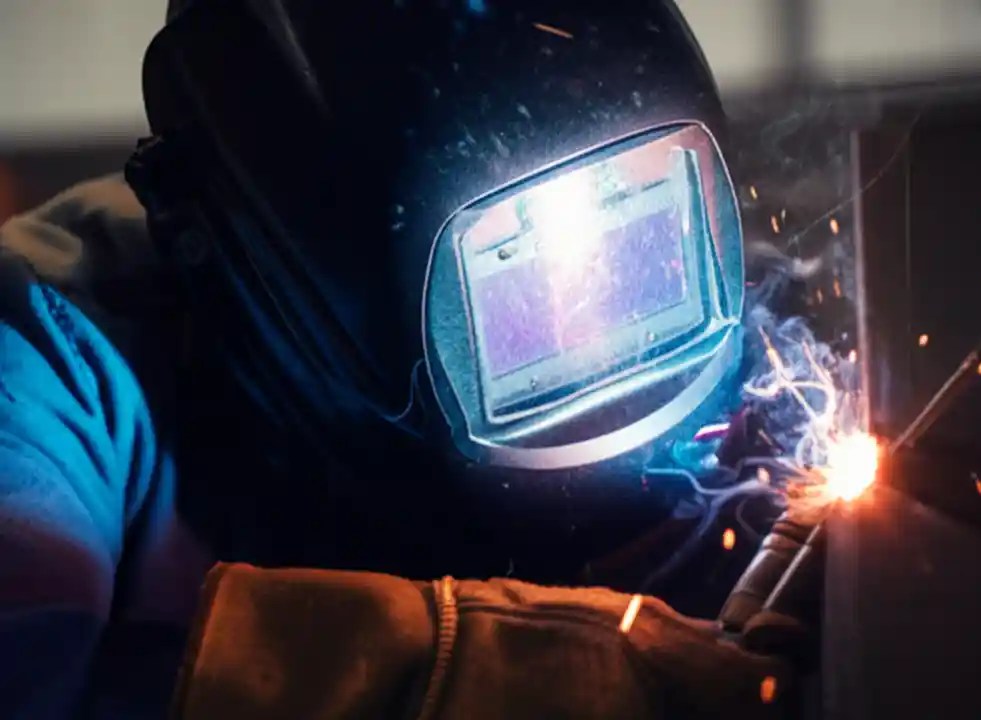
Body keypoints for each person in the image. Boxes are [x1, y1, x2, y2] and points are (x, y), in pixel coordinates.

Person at [0, 0, 802, 717]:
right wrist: (426, 676)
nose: (580, 319)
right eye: (520, 291)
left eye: (626, 263)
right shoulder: (43, 358)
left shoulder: (733, 329)